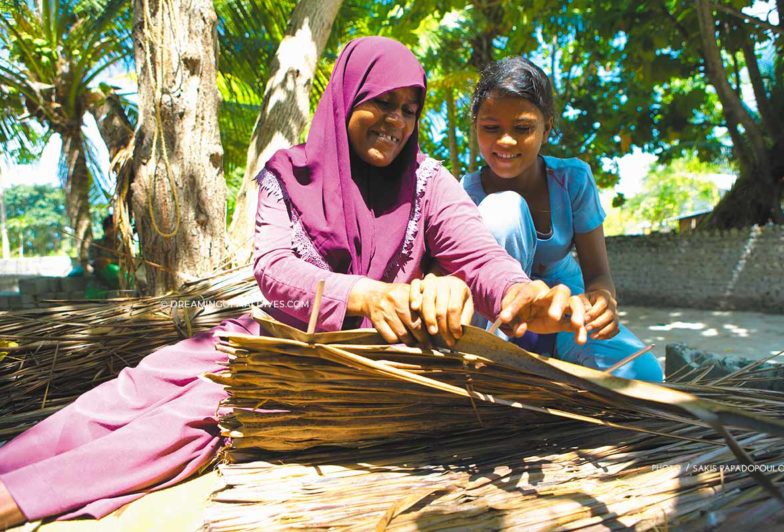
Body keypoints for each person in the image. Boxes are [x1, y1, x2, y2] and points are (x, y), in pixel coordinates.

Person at [0, 37, 587, 527]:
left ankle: (18, 500)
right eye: (382, 103)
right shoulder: (289, 172)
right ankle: (10, 463)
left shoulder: (428, 183)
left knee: (191, 414)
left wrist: (524, 296)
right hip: (268, 333)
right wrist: (363, 292)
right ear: (345, 98)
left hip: (343, 362)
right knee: (140, 384)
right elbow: (275, 269)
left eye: (410, 110)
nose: (397, 123)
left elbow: (481, 258)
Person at [461, 56, 663, 382]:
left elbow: (598, 275)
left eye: (523, 128)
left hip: (565, 312)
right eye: (491, 128)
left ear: (547, 127)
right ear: (475, 127)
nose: (506, 140)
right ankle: (491, 363)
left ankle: (553, 356)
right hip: (497, 322)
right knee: (503, 210)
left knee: (643, 375)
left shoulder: (572, 180)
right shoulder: (463, 195)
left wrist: (602, 303)